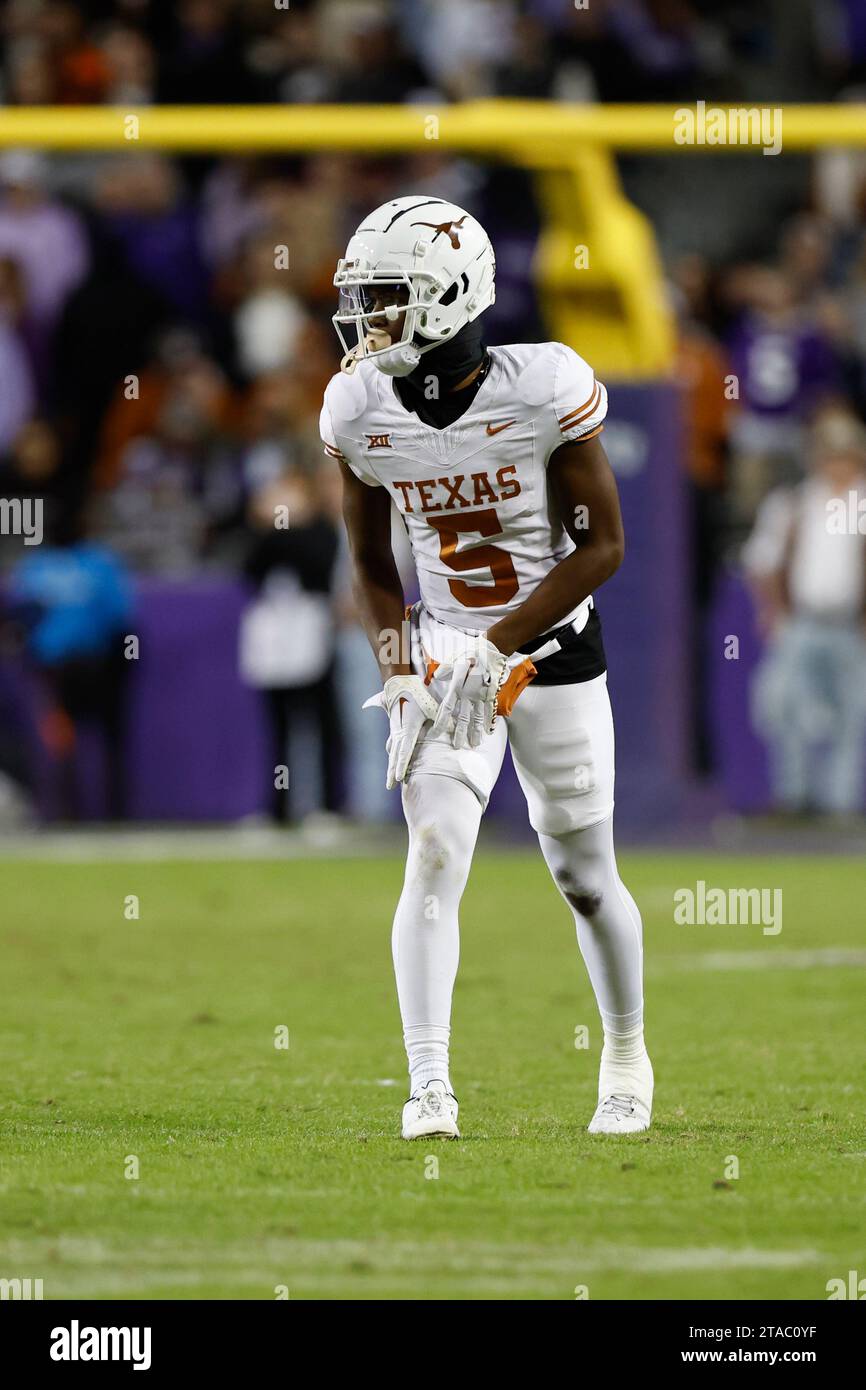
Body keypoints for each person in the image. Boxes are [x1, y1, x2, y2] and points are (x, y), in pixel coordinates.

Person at [321, 196, 652, 1139]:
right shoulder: (357, 405)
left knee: (585, 874)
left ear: (449, 298)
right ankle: (430, 1087)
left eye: (386, 297)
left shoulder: (544, 386)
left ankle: (626, 1056)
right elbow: (372, 564)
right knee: (432, 853)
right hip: (440, 649)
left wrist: (497, 644)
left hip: (547, 647)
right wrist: (397, 669)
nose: (364, 319)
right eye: (360, 297)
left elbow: (602, 548)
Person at [744, 408, 866, 817]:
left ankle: (839, 806)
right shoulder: (795, 502)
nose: (838, 464)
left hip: (852, 624)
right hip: (802, 621)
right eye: (830, 454)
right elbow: (763, 561)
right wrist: (773, 612)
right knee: (783, 706)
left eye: (845, 454)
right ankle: (794, 797)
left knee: (852, 712)